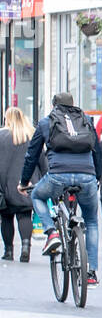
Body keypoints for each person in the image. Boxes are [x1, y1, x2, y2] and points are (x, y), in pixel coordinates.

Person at [18, 92, 102, 286]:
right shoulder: (86, 120)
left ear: (53, 106)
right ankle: (91, 272)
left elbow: (31, 156)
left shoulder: (46, 123)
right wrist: (95, 177)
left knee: (37, 196)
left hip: (57, 176)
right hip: (87, 177)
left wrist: (24, 182)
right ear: (73, 104)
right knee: (91, 221)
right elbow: (97, 151)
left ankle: (51, 232)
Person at [0, 107, 45, 262]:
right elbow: (42, 161)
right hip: (26, 184)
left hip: (4, 184)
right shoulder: (31, 136)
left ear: (7, 119)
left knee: (6, 217)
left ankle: (8, 251)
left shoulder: (1, 136)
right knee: (24, 215)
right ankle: (26, 247)